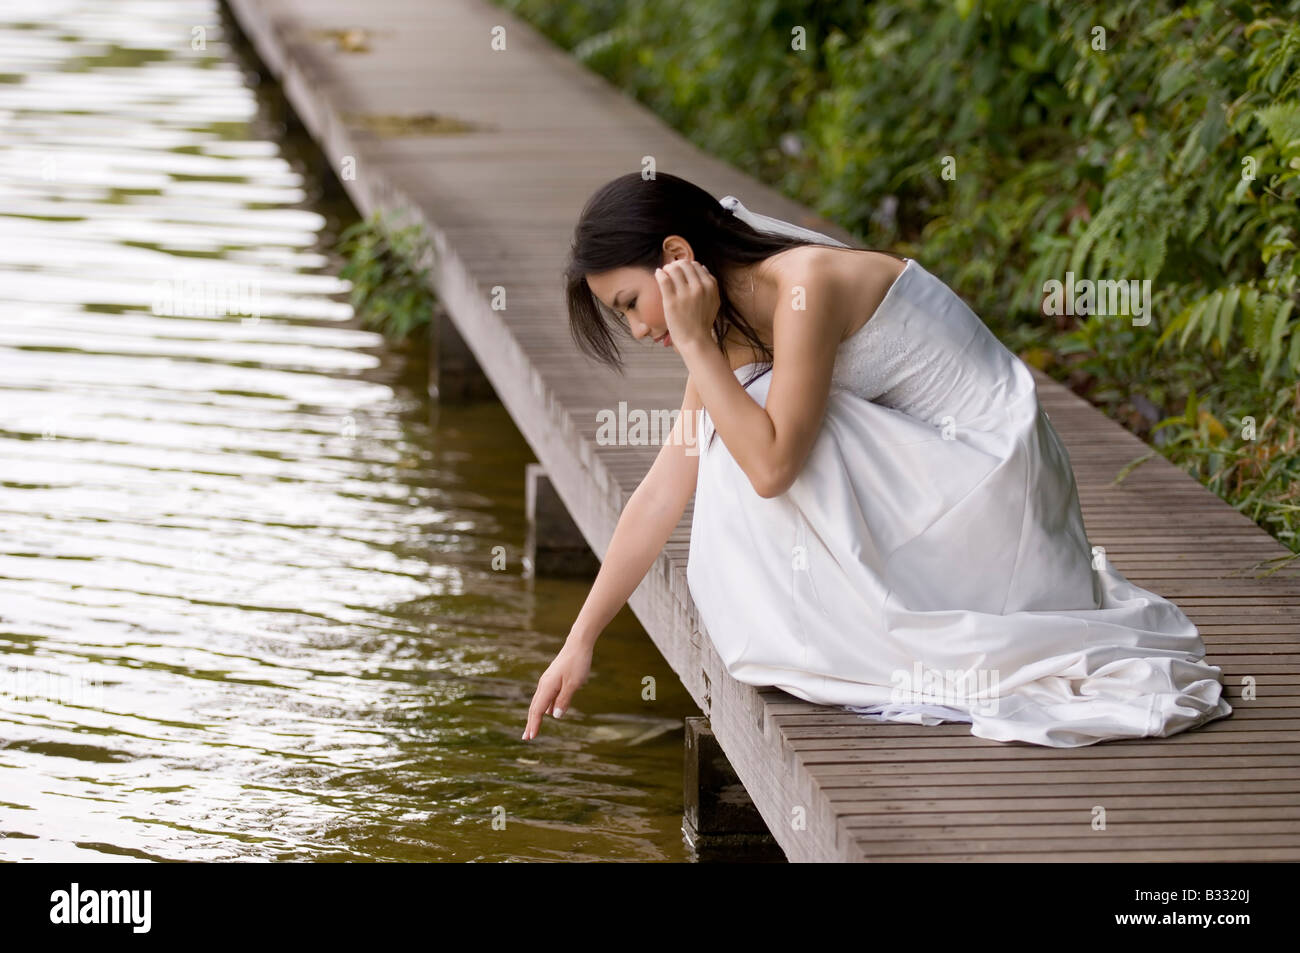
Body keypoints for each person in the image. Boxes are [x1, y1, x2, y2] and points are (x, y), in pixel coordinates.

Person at [523, 170, 1232, 747]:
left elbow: (771, 470)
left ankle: (841, 636)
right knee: (732, 416)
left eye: (629, 304)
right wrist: (580, 639)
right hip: (943, 480)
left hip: (997, 477)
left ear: (677, 259)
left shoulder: (803, 285)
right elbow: (660, 491)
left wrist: (701, 350)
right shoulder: (731, 323)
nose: (641, 327)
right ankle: (818, 632)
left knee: (747, 428)